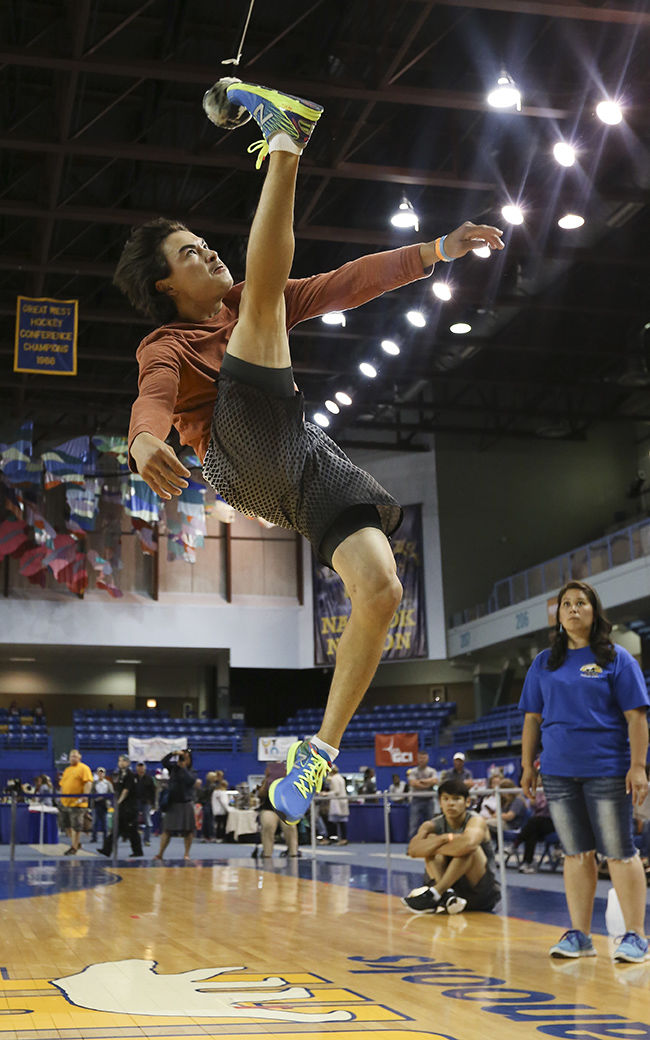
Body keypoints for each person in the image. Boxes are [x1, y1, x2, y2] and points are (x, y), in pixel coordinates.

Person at [116, 78, 504, 829]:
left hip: (305, 460)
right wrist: (142, 440)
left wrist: (437, 250)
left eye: (205, 242)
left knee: (383, 588)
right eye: (192, 254)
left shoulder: (253, 302)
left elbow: (348, 283)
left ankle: (318, 752)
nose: (209, 253)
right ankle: (286, 142)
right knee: (262, 301)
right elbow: (153, 397)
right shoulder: (166, 342)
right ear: (168, 285)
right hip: (242, 450)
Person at [520, 580, 650, 963]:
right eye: (566, 604)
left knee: (619, 853)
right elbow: (531, 718)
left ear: (595, 613)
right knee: (576, 854)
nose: (573, 609)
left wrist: (638, 766)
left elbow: (636, 717)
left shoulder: (617, 659)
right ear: (559, 615)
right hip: (558, 773)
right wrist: (528, 765)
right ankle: (579, 935)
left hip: (607, 770)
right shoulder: (544, 662)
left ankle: (636, 936)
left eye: (581, 603)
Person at [403, 777, 500, 914]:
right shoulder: (431, 825)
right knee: (431, 839)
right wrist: (444, 838)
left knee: (469, 848)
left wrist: (433, 846)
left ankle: (437, 893)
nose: (450, 804)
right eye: (446, 799)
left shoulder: (476, 821)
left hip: (479, 893)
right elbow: (412, 850)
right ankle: (446, 894)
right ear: (440, 803)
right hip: (451, 894)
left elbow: (469, 845)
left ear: (467, 802)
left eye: (456, 799)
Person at [154, 749, 197, 861]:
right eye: (182, 758)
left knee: (188, 831)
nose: (183, 760)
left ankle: (186, 854)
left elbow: (190, 781)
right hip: (173, 803)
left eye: (186, 758)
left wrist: (183, 768)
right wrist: (173, 754)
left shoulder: (191, 771)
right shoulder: (173, 768)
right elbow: (164, 761)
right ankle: (160, 854)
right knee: (167, 830)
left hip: (186, 803)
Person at [99, 755, 143, 858]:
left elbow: (126, 790)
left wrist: (118, 802)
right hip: (122, 807)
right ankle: (107, 849)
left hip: (130, 807)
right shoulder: (119, 775)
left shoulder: (130, 775)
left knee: (132, 830)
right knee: (116, 828)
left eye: (123, 761)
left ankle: (138, 851)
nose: (120, 763)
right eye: (119, 761)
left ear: (128, 763)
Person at [258, 763, 299, 858]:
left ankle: (293, 853)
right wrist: (267, 780)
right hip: (269, 807)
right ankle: (267, 854)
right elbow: (261, 795)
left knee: (290, 827)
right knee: (268, 825)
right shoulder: (267, 780)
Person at [58, 749, 93, 855]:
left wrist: (85, 795)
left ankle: (74, 847)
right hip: (65, 802)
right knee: (66, 825)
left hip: (77, 803)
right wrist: (60, 796)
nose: (73, 758)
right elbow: (62, 785)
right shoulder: (67, 770)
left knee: (76, 826)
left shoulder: (84, 768)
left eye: (75, 756)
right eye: (71, 756)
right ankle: (76, 843)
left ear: (79, 757)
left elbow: (88, 782)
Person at [515, 783, 557, 874]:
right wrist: (532, 801)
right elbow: (530, 806)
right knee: (532, 833)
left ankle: (516, 843)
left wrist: (534, 801)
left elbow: (545, 806)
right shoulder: (537, 791)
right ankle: (528, 863)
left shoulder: (554, 789)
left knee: (534, 822)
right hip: (538, 825)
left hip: (554, 822)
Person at [407, 751, 438, 838]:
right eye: (420, 758)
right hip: (416, 800)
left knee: (430, 824)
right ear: (417, 759)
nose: (422, 760)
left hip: (429, 800)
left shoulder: (432, 771)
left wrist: (420, 781)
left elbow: (435, 781)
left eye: (424, 758)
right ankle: (411, 846)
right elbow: (413, 783)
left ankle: (430, 844)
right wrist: (428, 783)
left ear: (427, 759)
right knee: (413, 825)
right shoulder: (413, 771)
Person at [134, 761, 156, 845]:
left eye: (142, 767)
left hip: (146, 803)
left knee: (147, 821)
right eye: (139, 767)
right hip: (135, 802)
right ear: (136, 768)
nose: (140, 768)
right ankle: (135, 840)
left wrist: (153, 804)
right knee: (134, 821)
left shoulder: (149, 778)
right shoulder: (133, 777)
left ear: (144, 768)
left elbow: (153, 792)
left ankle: (147, 840)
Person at [326, 765, 349, 844]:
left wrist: (325, 794)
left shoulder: (334, 779)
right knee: (341, 821)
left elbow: (336, 791)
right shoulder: (340, 777)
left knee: (337, 822)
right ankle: (342, 838)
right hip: (341, 802)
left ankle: (340, 839)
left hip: (338, 802)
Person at [91, 767, 114, 844]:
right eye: (99, 773)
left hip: (105, 804)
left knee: (105, 822)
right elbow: (91, 793)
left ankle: (106, 838)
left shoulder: (108, 783)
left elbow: (111, 793)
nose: (101, 774)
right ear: (97, 774)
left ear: (104, 774)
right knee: (95, 822)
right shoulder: (94, 783)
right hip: (96, 804)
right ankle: (94, 837)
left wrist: (104, 797)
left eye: (102, 773)